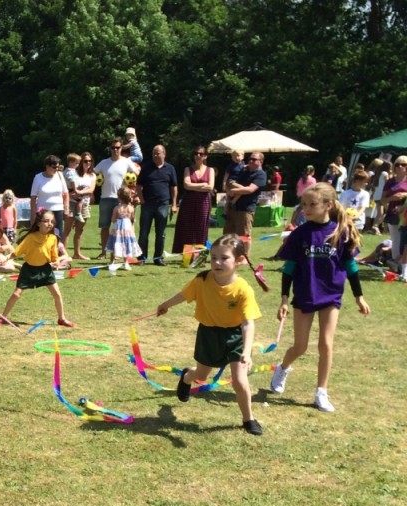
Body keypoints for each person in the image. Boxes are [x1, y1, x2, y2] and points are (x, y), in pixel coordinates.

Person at [269, 183, 370, 413]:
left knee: (326, 344)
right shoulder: (300, 234)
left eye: (312, 204)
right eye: (304, 204)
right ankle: (283, 368)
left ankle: (321, 392)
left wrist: (359, 297)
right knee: (301, 346)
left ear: (328, 205)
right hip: (305, 293)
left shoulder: (340, 232)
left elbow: (351, 267)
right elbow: (289, 268)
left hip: (331, 295)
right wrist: (284, 299)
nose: (306, 209)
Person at [156, 234, 264, 436]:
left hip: (235, 336)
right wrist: (165, 305)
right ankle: (187, 376)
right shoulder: (202, 280)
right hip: (208, 333)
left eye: (224, 258)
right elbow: (184, 294)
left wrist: (247, 353)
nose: (217, 262)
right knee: (201, 376)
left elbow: (248, 323)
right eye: (213, 257)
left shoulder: (243, 289)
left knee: (240, 380)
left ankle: (248, 419)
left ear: (239, 260)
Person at [0, 209, 74, 328]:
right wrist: (5, 259)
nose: (49, 224)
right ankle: (3, 317)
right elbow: (16, 252)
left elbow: (54, 257)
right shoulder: (31, 237)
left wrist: (56, 262)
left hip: (45, 270)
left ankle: (61, 318)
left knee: (57, 294)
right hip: (29, 270)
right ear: (38, 223)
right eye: (46, 221)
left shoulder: (53, 238)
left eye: (52, 221)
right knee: (16, 294)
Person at [94, 139, 137, 259]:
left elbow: (137, 174)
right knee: (104, 226)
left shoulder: (126, 162)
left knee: (124, 227)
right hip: (105, 198)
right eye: (113, 147)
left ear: (121, 148)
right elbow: (93, 174)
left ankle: (123, 253)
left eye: (117, 147)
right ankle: (103, 253)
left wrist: (133, 192)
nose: (115, 150)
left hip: (122, 201)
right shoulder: (103, 162)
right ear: (110, 148)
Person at [137, 144, 178, 265]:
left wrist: (174, 204)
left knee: (161, 234)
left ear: (164, 154)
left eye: (158, 153)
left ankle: (158, 258)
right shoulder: (146, 168)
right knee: (144, 233)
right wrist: (142, 200)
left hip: (163, 205)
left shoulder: (170, 168)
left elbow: (174, 187)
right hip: (147, 205)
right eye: (154, 153)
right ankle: (142, 258)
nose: (155, 155)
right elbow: (138, 186)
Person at [172, 146, 214, 254]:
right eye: (196, 153)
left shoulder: (210, 170)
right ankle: (187, 253)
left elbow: (210, 187)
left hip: (204, 202)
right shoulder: (188, 169)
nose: (197, 156)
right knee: (187, 227)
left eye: (200, 154)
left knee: (201, 227)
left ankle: (200, 254)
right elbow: (186, 185)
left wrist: (195, 186)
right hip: (189, 201)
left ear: (205, 156)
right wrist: (203, 184)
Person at [224, 151, 267, 251]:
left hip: (246, 209)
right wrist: (229, 190)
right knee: (228, 234)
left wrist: (233, 191)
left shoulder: (261, 175)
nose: (251, 161)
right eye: (250, 159)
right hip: (233, 207)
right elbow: (230, 181)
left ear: (261, 161)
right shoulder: (243, 171)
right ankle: (229, 255)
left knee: (243, 235)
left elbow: (250, 190)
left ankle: (244, 258)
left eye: (254, 159)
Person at [29, 154, 68, 240]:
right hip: (43, 211)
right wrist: (33, 215)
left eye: (57, 167)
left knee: (57, 235)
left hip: (58, 210)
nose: (56, 169)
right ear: (47, 166)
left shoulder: (60, 176)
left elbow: (65, 193)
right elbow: (33, 197)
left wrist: (66, 209)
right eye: (54, 167)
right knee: (43, 234)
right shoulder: (38, 177)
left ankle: (57, 252)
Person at [105, 186, 141, 270]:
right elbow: (132, 219)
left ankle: (112, 262)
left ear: (119, 198)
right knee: (127, 244)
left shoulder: (117, 208)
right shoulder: (131, 208)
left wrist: (117, 221)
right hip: (128, 229)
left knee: (115, 243)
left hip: (118, 229)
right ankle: (126, 263)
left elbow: (113, 220)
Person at [381, 156, 407, 263]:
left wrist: (405, 194)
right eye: (397, 164)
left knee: (405, 241)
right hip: (393, 214)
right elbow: (382, 201)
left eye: (403, 164)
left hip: (405, 215)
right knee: (396, 239)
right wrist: (392, 198)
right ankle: (396, 264)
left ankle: (403, 265)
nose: (400, 167)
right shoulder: (390, 182)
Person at [367, 160, 391, 234]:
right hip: (382, 195)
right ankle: (376, 226)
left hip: (377, 195)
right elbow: (388, 183)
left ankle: (375, 227)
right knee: (389, 211)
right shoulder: (385, 173)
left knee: (380, 213)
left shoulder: (379, 173)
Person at [62, 153, 83, 231]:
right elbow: (72, 181)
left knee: (79, 200)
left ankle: (77, 214)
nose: (78, 164)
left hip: (71, 189)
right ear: (71, 162)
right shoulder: (70, 171)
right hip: (71, 190)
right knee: (80, 200)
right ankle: (78, 213)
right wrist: (76, 190)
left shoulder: (71, 170)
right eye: (76, 163)